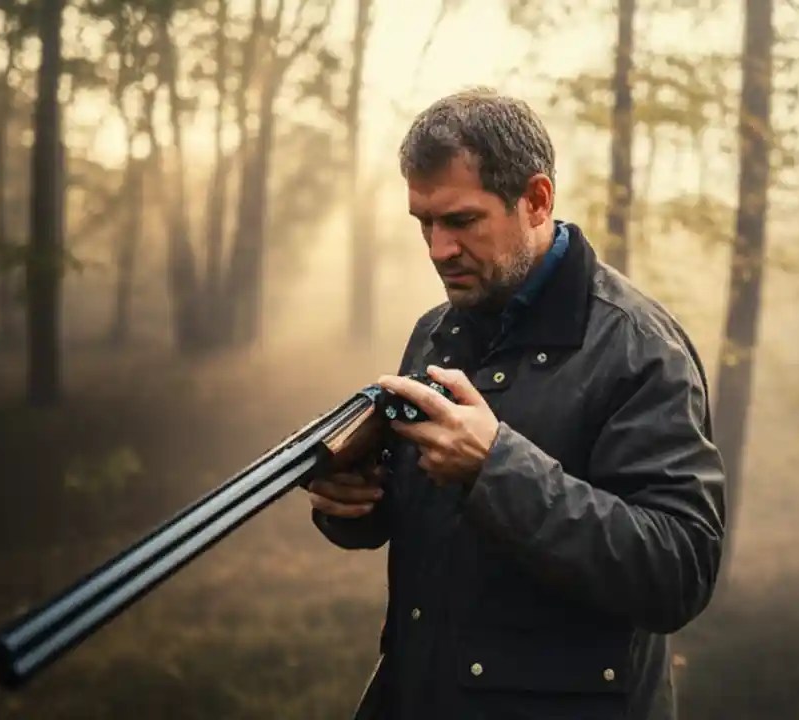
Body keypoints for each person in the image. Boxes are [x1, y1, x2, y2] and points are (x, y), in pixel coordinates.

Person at [306, 87, 727, 720]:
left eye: (462, 221)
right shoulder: (436, 330)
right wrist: (356, 503)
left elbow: (679, 569)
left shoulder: (638, 348)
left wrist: (495, 467)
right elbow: (423, 517)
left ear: (536, 200)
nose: (437, 248)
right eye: (424, 222)